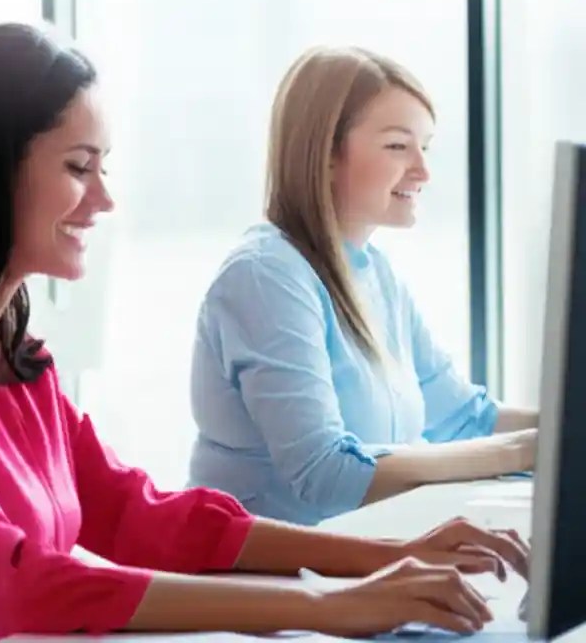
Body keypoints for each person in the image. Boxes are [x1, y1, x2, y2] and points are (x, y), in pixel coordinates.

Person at [0, 24, 529, 642]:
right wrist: (325, 603)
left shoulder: (17, 368)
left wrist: (377, 557)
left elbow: (136, 515)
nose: (105, 198)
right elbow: (3, 580)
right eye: (80, 167)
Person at [187, 46, 538, 526]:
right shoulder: (265, 277)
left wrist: (563, 426)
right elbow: (325, 472)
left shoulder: (377, 275)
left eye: (426, 147)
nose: (423, 170)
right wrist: (520, 451)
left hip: (352, 566)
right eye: (398, 146)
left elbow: (463, 417)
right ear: (326, 153)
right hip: (267, 580)